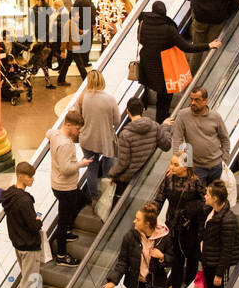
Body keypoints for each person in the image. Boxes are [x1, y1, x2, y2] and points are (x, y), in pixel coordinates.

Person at [136, 0, 217, 122]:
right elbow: (186, 46)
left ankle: (140, 116)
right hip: (164, 66)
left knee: (149, 90)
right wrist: (208, 45)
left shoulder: (143, 23)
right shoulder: (168, 28)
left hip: (146, 64)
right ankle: (161, 121)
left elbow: (140, 40)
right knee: (164, 96)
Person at [153, 155, 207, 288]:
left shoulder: (195, 182)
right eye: (171, 163)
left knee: (191, 260)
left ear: (185, 166)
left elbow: (205, 203)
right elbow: (159, 199)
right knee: (176, 260)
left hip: (191, 227)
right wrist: (151, 218)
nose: (171, 167)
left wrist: (192, 209)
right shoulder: (168, 179)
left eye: (175, 165)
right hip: (172, 225)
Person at [1, 161, 44, 288]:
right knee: (30, 280)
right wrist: (38, 221)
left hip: (18, 244)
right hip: (29, 244)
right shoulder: (24, 201)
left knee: (27, 279)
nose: (32, 179)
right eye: (29, 176)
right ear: (20, 176)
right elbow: (33, 226)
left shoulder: (9, 194)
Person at [48, 109, 92, 264]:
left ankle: (66, 230)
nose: (78, 131)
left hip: (57, 184)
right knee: (64, 217)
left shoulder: (55, 134)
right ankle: (61, 255)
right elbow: (66, 169)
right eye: (77, 128)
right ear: (67, 125)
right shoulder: (66, 144)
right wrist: (82, 163)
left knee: (80, 201)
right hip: (66, 187)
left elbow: (48, 132)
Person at [109, 95, 173, 200]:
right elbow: (166, 146)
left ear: (128, 111)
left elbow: (123, 163)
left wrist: (113, 174)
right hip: (145, 172)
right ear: (143, 111)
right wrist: (165, 127)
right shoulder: (155, 126)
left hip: (127, 178)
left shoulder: (125, 134)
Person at [168, 85, 230, 187]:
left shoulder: (215, 117)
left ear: (205, 101)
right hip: (196, 167)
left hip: (216, 166)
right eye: (191, 99)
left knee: (213, 199)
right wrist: (180, 164)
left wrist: (224, 158)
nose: (193, 103)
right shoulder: (183, 115)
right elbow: (177, 140)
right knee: (198, 199)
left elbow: (225, 139)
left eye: (197, 100)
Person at [201, 181, 239, 288]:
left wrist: (219, 273)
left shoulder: (228, 220)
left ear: (215, 198)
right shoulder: (212, 212)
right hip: (209, 261)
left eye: (208, 194)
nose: (205, 196)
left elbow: (227, 249)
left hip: (217, 265)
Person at [78, 70, 121, 199]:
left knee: (91, 169)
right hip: (105, 139)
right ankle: (106, 198)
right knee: (108, 169)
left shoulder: (83, 98)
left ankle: (94, 197)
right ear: (102, 81)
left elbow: (76, 115)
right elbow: (117, 120)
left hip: (87, 139)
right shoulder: (109, 99)